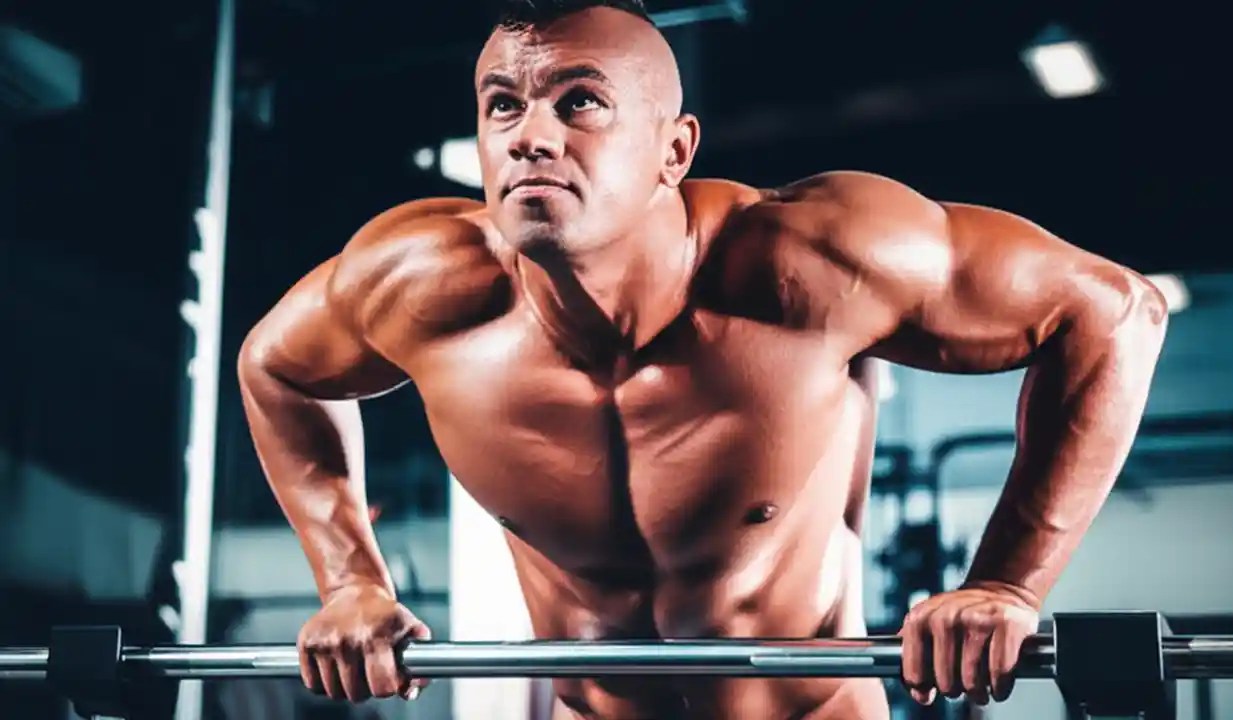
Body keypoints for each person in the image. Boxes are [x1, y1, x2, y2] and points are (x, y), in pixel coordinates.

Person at [236, 1, 1169, 718]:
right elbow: (274, 369)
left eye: (580, 102)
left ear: (673, 150)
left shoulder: (808, 263)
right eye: (504, 105)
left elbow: (1115, 310)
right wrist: (351, 582)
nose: (531, 135)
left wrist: (1004, 583)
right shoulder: (420, 287)